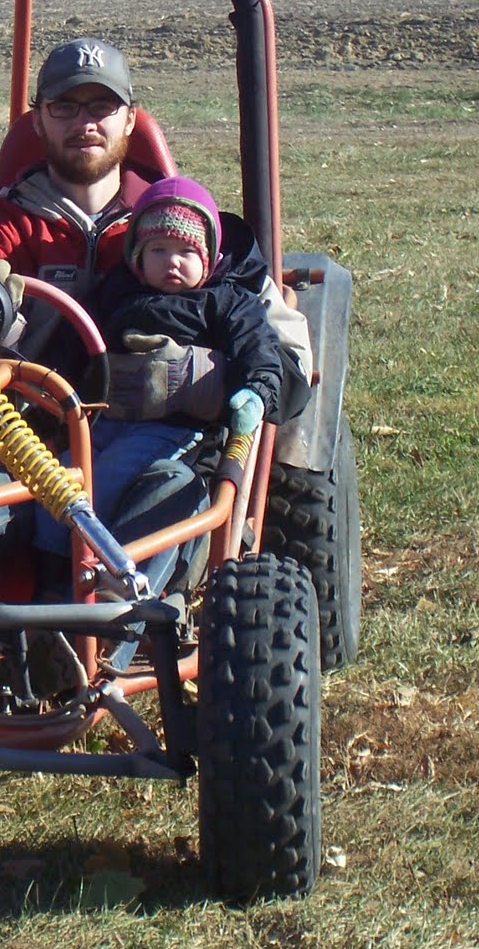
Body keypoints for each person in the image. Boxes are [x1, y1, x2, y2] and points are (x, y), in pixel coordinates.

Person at [0, 37, 307, 677]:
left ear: (130, 119)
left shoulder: (184, 224)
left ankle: (86, 642)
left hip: (149, 454)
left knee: (177, 491)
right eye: (65, 107)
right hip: (20, 449)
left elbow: (282, 349)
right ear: (38, 120)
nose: (85, 122)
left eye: (102, 107)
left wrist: (223, 381)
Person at [30, 174, 287, 668]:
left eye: (186, 253)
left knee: (100, 483)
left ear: (208, 260)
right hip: (101, 420)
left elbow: (260, 350)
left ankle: (105, 612)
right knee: (55, 479)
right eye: (159, 250)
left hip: (173, 430)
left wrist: (254, 392)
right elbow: (72, 344)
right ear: (136, 256)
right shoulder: (114, 295)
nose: (172, 262)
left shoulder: (222, 301)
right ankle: (51, 579)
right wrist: (45, 390)